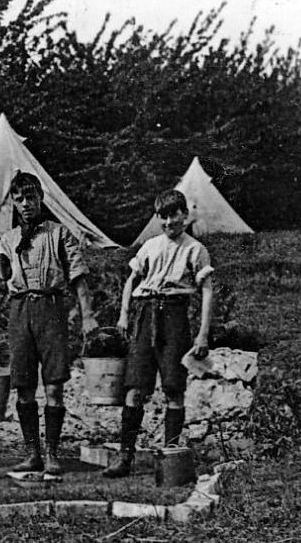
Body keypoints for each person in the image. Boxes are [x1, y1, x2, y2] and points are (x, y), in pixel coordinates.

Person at [0, 172, 97, 475]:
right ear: (14, 205)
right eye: (19, 199)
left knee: (54, 385)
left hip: (52, 309)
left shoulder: (59, 234)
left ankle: (53, 454)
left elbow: (79, 279)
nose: (26, 204)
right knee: (24, 387)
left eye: (30, 197)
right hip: (20, 312)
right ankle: (32, 452)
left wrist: (87, 317)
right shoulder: (7, 241)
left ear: (41, 198)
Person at [103, 190, 216, 478]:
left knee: (173, 389)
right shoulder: (150, 246)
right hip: (144, 314)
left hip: (174, 317)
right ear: (158, 218)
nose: (169, 221)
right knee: (135, 388)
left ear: (185, 215)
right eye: (163, 216)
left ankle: (171, 460)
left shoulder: (195, 249)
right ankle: (124, 457)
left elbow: (206, 291)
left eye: (174, 214)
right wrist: (124, 315)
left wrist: (203, 334)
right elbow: (131, 280)